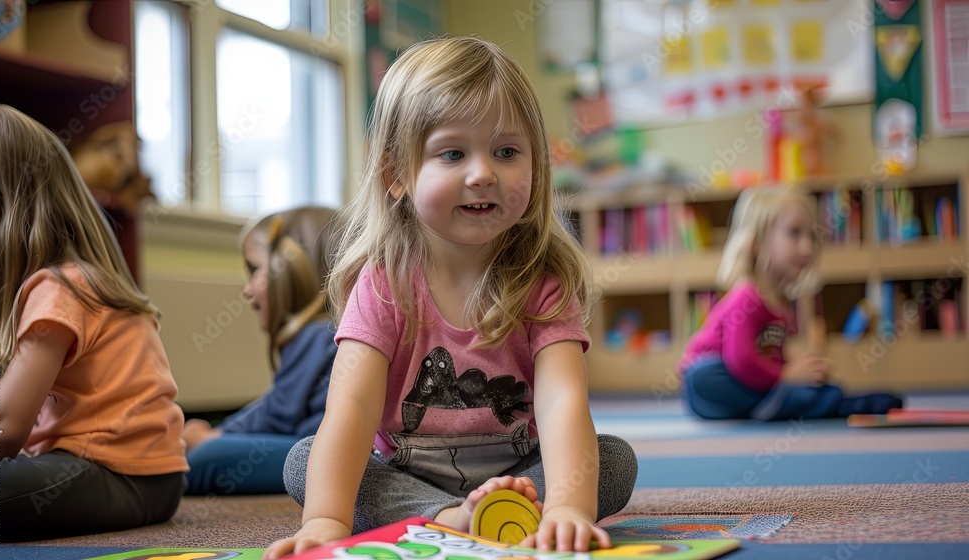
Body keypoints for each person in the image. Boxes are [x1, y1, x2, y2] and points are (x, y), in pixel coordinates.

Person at [264, 37, 638, 559]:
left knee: (614, 460)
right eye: (453, 153)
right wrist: (325, 523)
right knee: (305, 462)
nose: (483, 173)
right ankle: (454, 519)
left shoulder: (543, 279)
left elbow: (562, 402)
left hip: (521, 475)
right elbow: (351, 406)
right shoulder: (383, 285)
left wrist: (567, 511)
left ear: (535, 168)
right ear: (397, 176)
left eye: (506, 152)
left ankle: (511, 514)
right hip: (407, 473)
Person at [0, 105, 188, 542]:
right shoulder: (73, 279)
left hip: (117, 474)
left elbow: (6, 424)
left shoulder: (59, 287)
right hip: (150, 478)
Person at [678, 187, 904, 421]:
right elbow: (740, 359)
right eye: (794, 233)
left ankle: (781, 404)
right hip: (712, 387)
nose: (807, 247)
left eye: (811, 237)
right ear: (757, 241)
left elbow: (767, 356)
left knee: (804, 388)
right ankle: (802, 404)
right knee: (702, 374)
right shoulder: (745, 296)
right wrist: (786, 374)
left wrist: (801, 369)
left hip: (749, 390)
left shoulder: (781, 306)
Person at [182, 207, 339, 495]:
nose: (247, 289)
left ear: (292, 268)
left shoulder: (319, 333)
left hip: (325, 455)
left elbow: (277, 413)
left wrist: (215, 436)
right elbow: (274, 405)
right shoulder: (324, 333)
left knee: (203, 460)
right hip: (314, 446)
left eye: (254, 271)